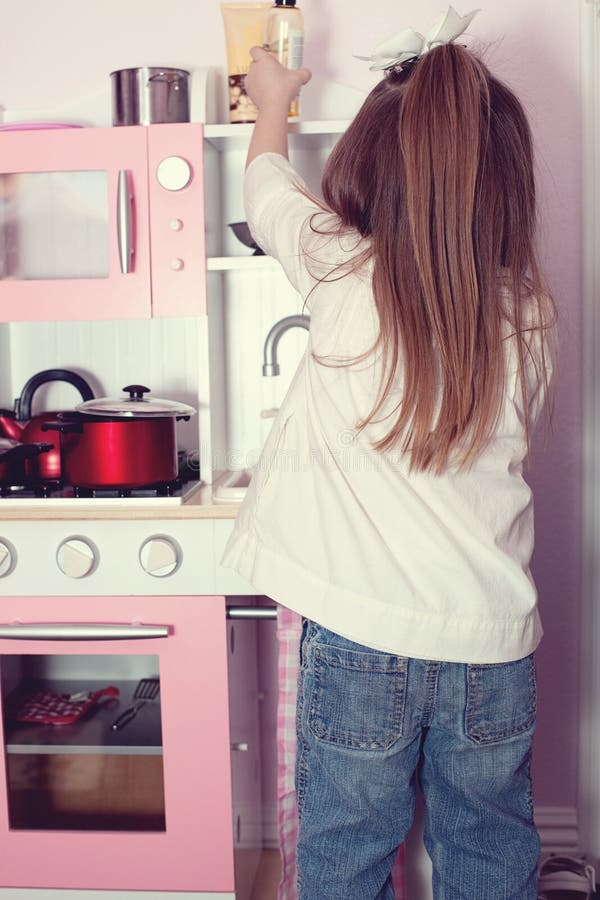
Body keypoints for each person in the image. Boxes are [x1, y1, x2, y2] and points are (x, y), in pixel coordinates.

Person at [221, 8, 557, 899]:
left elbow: (265, 191)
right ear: (506, 183)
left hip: (364, 646)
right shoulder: (528, 313)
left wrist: (271, 104)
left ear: (372, 167)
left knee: (346, 859)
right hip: (493, 644)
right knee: (490, 856)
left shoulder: (338, 272)